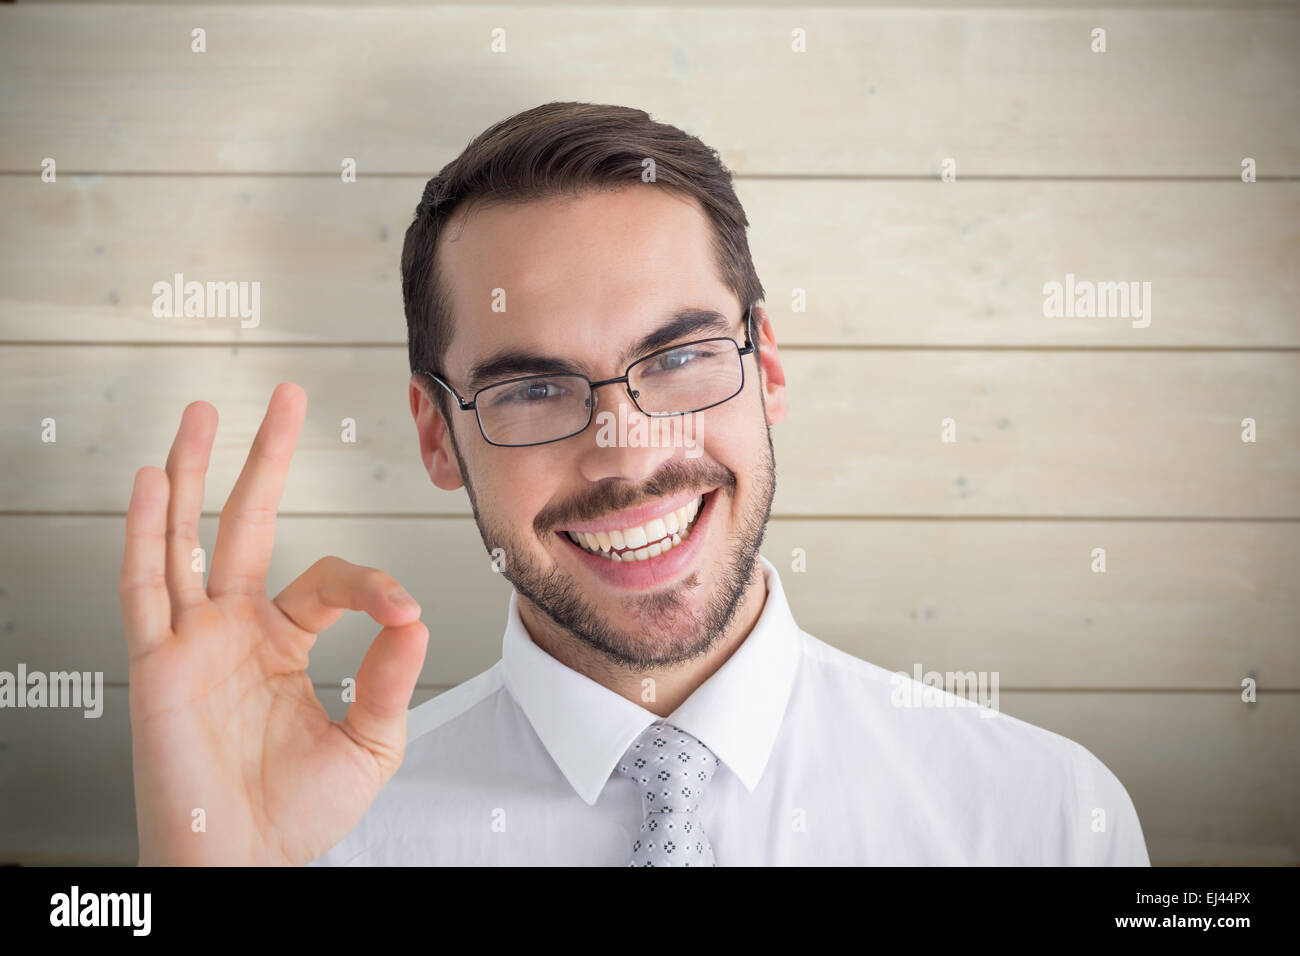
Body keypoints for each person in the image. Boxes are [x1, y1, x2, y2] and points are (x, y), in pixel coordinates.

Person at [119, 102, 1149, 866]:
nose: (623, 445)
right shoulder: (318, 838)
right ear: (437, 435)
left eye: (680, 354)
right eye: (529, 385)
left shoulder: (1045, 816)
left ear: (768, 368)